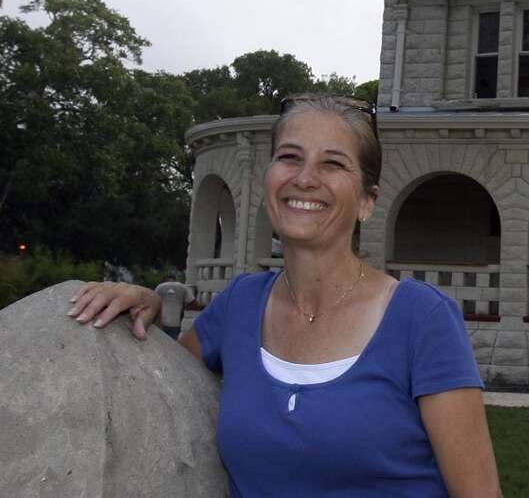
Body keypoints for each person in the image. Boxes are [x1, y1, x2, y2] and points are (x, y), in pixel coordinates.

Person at [67, 94, 502, 498]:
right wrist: (154, 305)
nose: (305, 178)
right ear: (269, 177)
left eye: (333, 164)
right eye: (289, 157)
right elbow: (161, 382)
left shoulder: (422, 319)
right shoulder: (239, 305)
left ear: (367, 202)